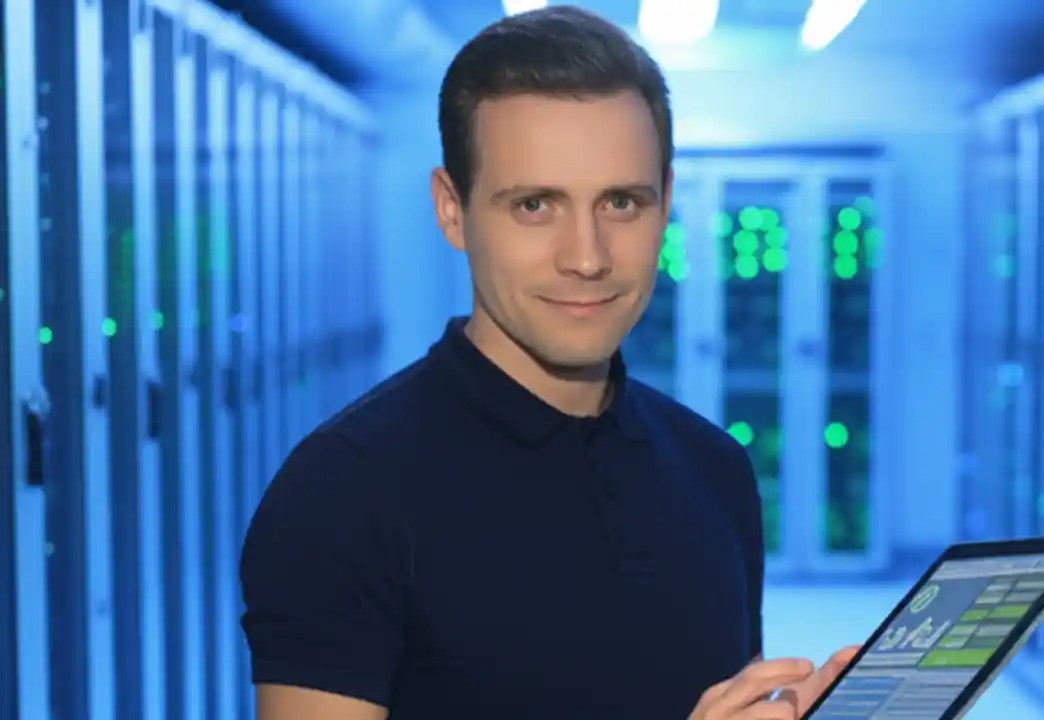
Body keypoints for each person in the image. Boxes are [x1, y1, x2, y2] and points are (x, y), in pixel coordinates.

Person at [239, 5, 858, 719]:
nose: (587, 257)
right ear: (451, 209)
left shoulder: (714, 468)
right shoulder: (343, 492)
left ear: (665, 207)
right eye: (535, 205)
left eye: (622, 202)